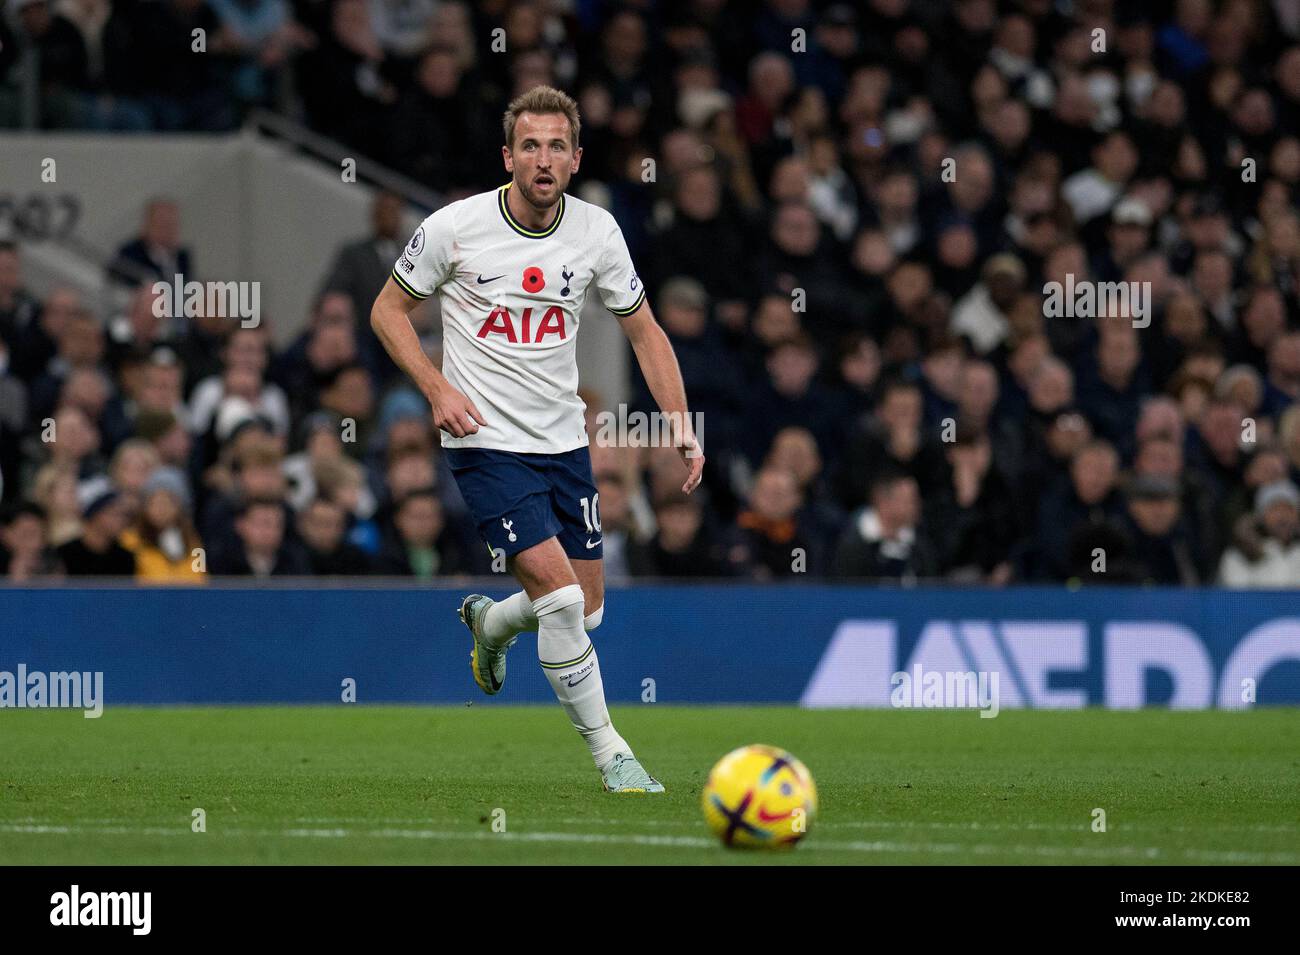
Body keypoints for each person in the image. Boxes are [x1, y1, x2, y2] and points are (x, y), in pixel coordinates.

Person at [369, 86, 703, 794]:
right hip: (484, 442)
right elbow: (388, 310)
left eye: (556, 146)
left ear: (576, 159)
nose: (542, 159)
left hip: (564, 445)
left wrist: (677, 420)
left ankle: (492, 624)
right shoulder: (455, 227)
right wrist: (436, 388)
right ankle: (614, 755)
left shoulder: (597, 233)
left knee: (587, 609)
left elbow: (644, 329)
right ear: (507, 156)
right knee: (557, 603)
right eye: (529, 146)